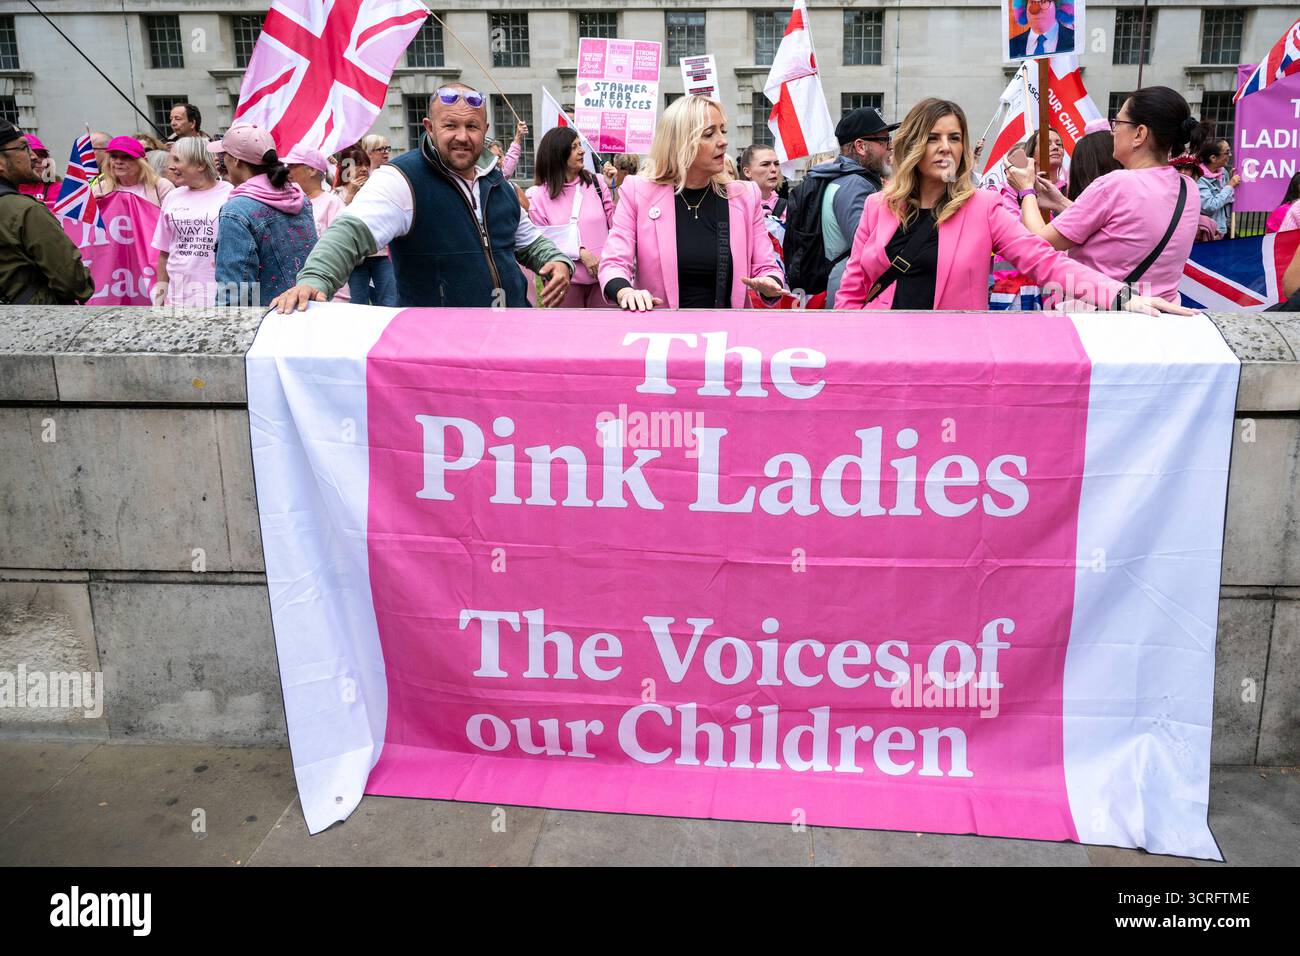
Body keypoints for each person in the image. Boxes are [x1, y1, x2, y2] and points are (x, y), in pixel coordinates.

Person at [835, 98, 1190, 316]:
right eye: (933, 138)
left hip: (951, 360)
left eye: (955, 138)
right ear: (913, 144)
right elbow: (852, 291)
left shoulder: (983, 207)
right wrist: (850, 350)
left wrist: (1118, 296)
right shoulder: (877, 206)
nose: (946, 147)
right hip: (880, 351)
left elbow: (1045, 261)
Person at [270, 82, 572, 311]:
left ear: (485, 130)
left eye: (472, 126)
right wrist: (314, 280)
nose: (463, 136)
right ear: (429, 127)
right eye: (450, 125)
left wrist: (556, 261)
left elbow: (529, 241)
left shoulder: (497, 182)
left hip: (509, 336)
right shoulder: (402, 178)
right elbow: (349, 233)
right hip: (437, 350)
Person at [1009, 87, 1202, 302]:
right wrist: (1061, 202)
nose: (1112, 131)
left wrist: (1026, 189)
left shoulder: (1116, 184)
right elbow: (1118, 230)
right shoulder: (1189, 188)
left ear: (1140, 134)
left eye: (1118, 123)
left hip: (1105, 319)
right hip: (1161, 316)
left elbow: (1039, 243)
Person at [598, 95, 785, 311]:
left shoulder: (745, 195)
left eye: (722, 131)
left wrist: (771, 282)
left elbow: (766, 266)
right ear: (680, 143)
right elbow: (613, 263)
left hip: (727, 336)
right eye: (709, 134)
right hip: (662, 336)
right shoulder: (637, 191)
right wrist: (625, 291)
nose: (723, 141)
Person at [785, 105, 897, 304]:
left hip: (840, 290)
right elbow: (872, 248)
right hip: (851, 295)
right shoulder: (856, 185)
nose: (890, 147)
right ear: (861, 146)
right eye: (884, 140)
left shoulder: (844, 178)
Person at [210, 126, 317, 306]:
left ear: (236, 161)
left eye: (224, 155)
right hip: (307, 309)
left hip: (268, 321)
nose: (222, 161)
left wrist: (230, 327)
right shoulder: (298, 196)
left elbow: (234, 292)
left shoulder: (236, 211)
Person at [0, 120, 94, 304]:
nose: (34, 156)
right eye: (24, 148)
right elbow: (73, 282)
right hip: (36, 323)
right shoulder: (25, 211)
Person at [525, 126, 615, 308]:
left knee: (606, 335)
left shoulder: (597, 184)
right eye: (574, 147)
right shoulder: (538, 196)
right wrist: (581, 253)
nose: (582, 150)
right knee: (569, 335)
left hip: (603, 279)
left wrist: (616, 189)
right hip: (565, 283)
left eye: (579, 145)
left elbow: (615, 225)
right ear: (558, 153)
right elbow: (542, 241)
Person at [152, 136, 233, 306]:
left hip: (218, 299)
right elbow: (164, 253)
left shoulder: (230, 194)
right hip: (177, 299)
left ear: (200, 164)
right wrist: (159, 298)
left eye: (177, 159)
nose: (170, 166)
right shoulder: (172, 197)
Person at [285, 144, 350, 301]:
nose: (287, 171)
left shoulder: (332, 203)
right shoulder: (286, 203)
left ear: (312, 170)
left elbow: (341, 246)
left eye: (293, 165)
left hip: (329, 293)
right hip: (293, 292)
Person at [346, 136, 397, 305]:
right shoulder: (347, 185)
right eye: (379, 149)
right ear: (367, 153)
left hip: (382, 251)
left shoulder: (388, 178)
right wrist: (350, 195)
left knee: (388, 302)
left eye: (387, 148)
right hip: (358, 255)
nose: (385, 153)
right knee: (358, 303)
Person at [92, 135, 174, 206]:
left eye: (126, 157)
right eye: (114, 156)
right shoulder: (99, 189)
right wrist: (94, 209)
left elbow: (171, 220)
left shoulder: (161, 187)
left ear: (144, 161)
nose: (118, 161)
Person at [1196, 137, 1239, 236]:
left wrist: (1231, 186)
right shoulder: (1200, 178)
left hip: (1223, 229)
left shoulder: (1223, 172)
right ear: (1213, 158)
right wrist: (1229, 187)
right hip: (1209, 233)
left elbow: (1227, 199)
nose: (1230, 155)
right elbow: (1209, 206)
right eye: (1227, 152)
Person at [1008, 0, 1075, 58]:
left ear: (1057, 7)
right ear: (1025, 9)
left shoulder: (1075, 41)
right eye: (1032, 2)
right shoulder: (1011, 45)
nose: (1036, 9)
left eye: (1044, 1)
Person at [738, 145, 785, 219]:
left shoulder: (788, 207)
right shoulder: (736, 206)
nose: (774, 169)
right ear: (747, 172)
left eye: (776, 164)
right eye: (765, 164)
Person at [17, 135, 60, 206]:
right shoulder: (7, 188)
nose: (38, 159)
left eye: (42, 155)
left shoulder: (58, 189)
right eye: (31, 154)